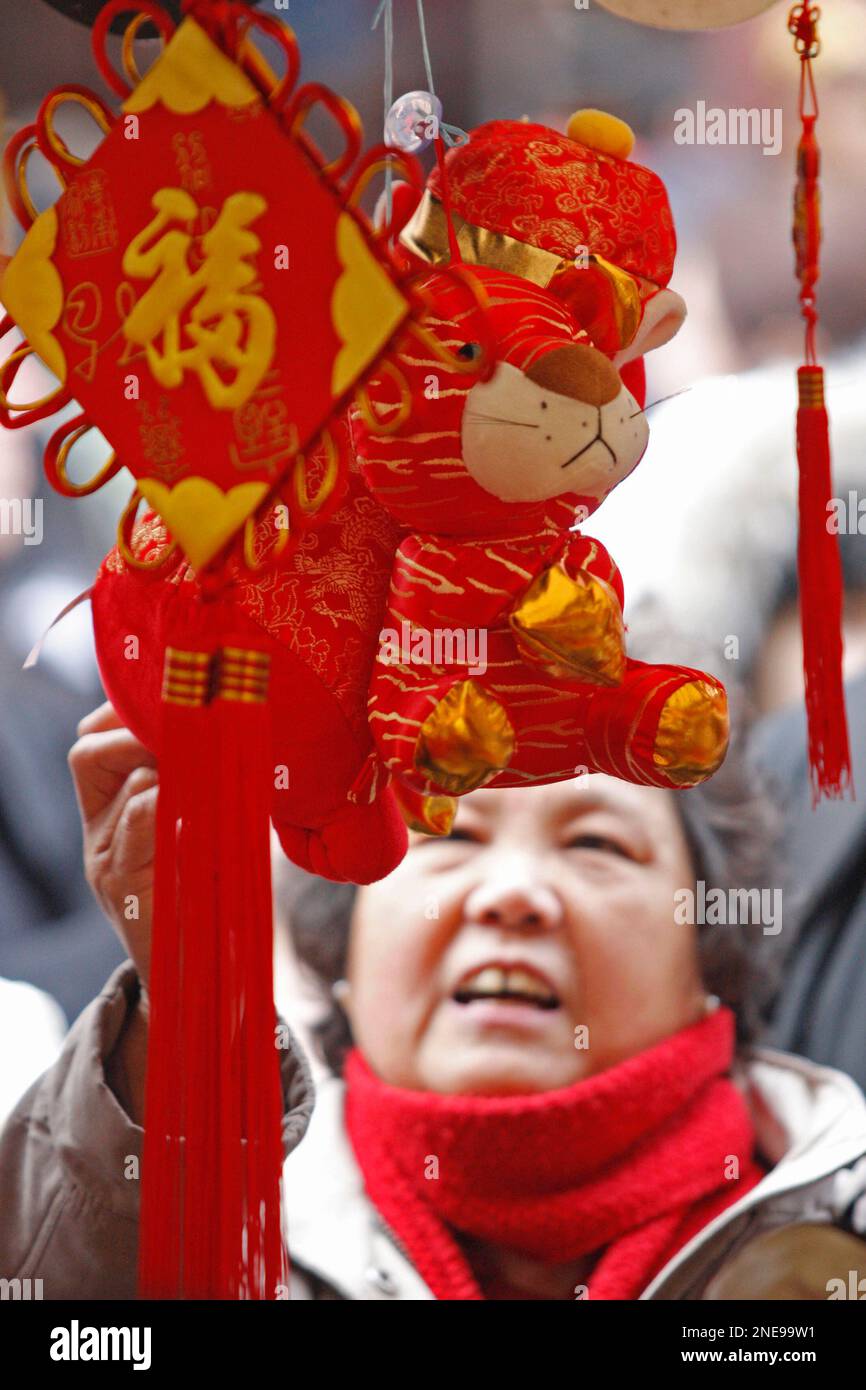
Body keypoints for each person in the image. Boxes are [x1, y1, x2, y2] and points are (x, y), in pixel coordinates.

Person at [1, 700, 865, 1301]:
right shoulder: (228, 1243)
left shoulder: (839, 1237)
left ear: (712, 954)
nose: (513, 893)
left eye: (597, 842)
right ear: (342, 945)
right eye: (447, 830)